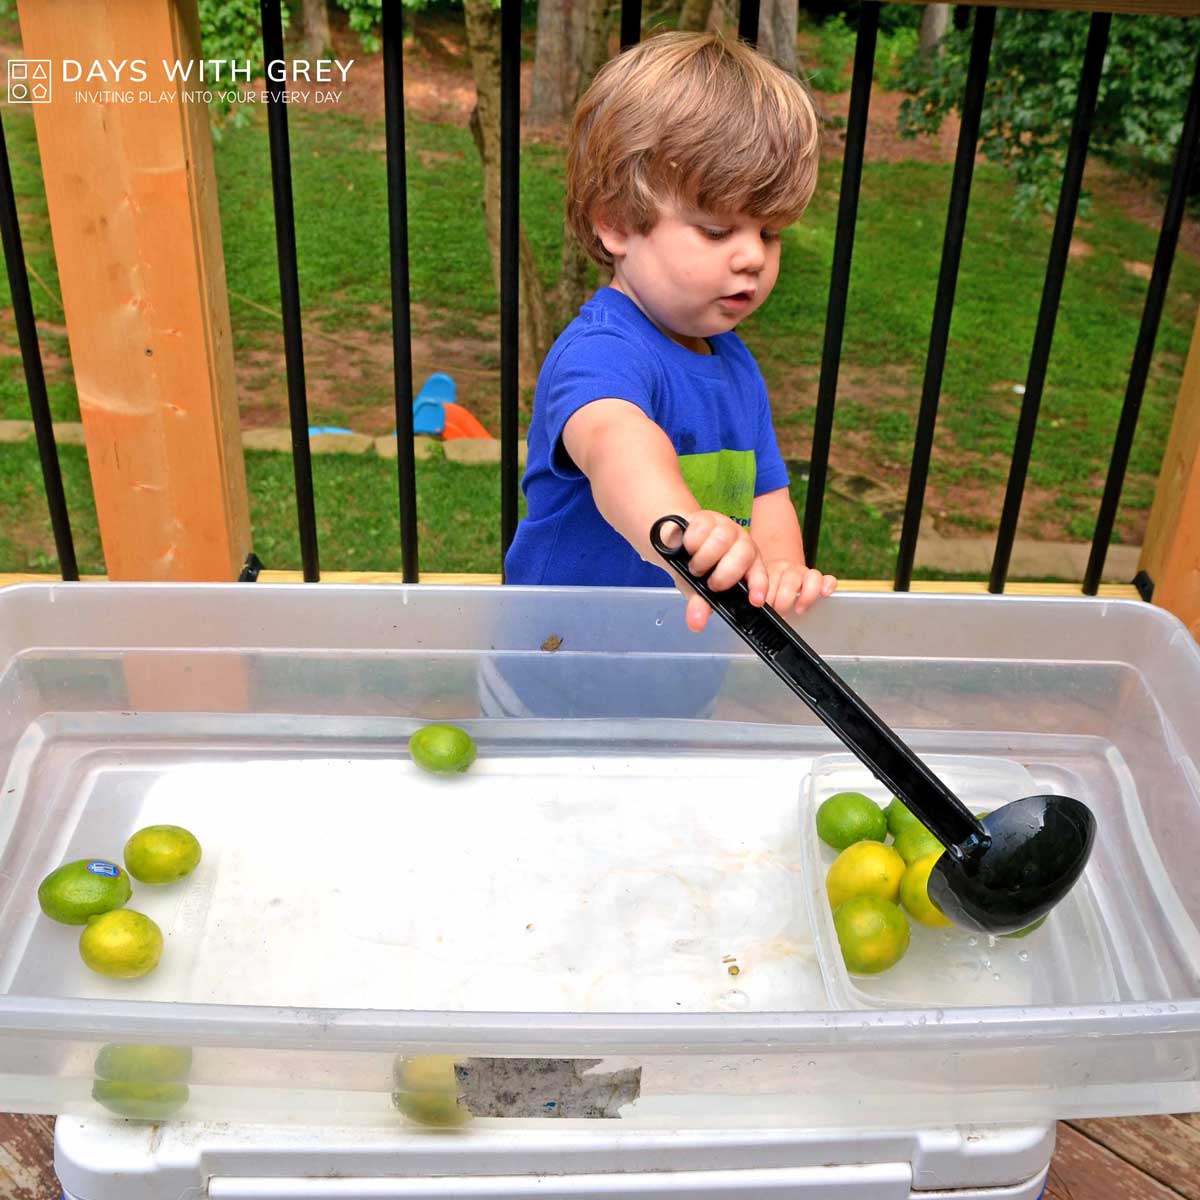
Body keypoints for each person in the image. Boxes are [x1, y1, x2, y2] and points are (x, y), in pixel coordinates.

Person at [505, 30, 837, 633]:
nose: (752, 258)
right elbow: (617, 448)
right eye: (717, 231)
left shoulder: (736, 368)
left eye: (769, 233)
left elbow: (766, 498)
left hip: (682, 680)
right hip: (556, 681)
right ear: (617, 224)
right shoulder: (602, 353)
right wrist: (683, 532)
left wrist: (782, 571)